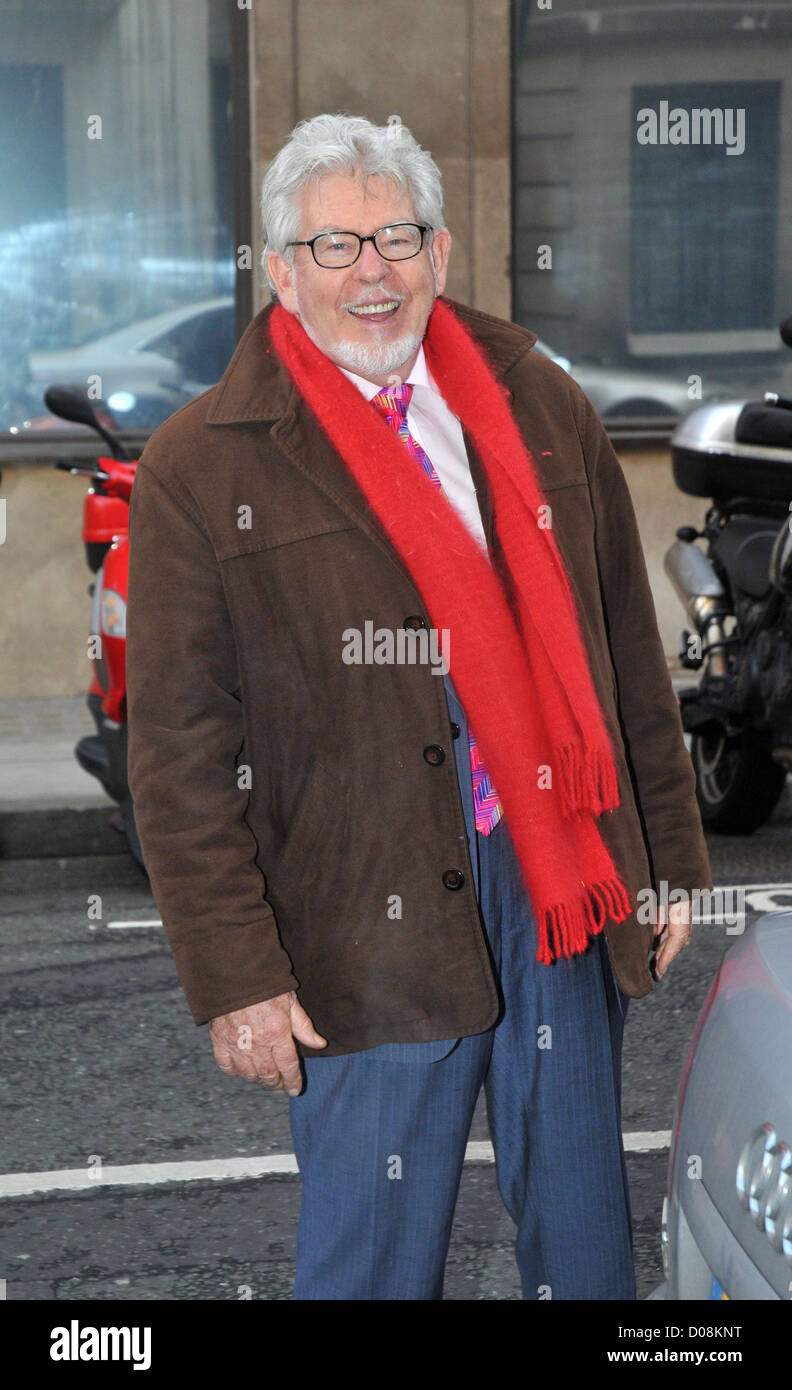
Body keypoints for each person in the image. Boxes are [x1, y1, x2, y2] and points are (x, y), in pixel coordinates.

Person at [126, 112, 713, 1301]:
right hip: (359, 912)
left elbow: (623, 653)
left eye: (396, 236)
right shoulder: (204, 464)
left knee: (588, 1243)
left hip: (558, 882)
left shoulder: (539, 404)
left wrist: (669, 857)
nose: (371, 272)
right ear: (283, 272)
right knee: (371, 1266)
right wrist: (236, 975)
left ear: (440, 255)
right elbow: (181, 752)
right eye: (334, 246)